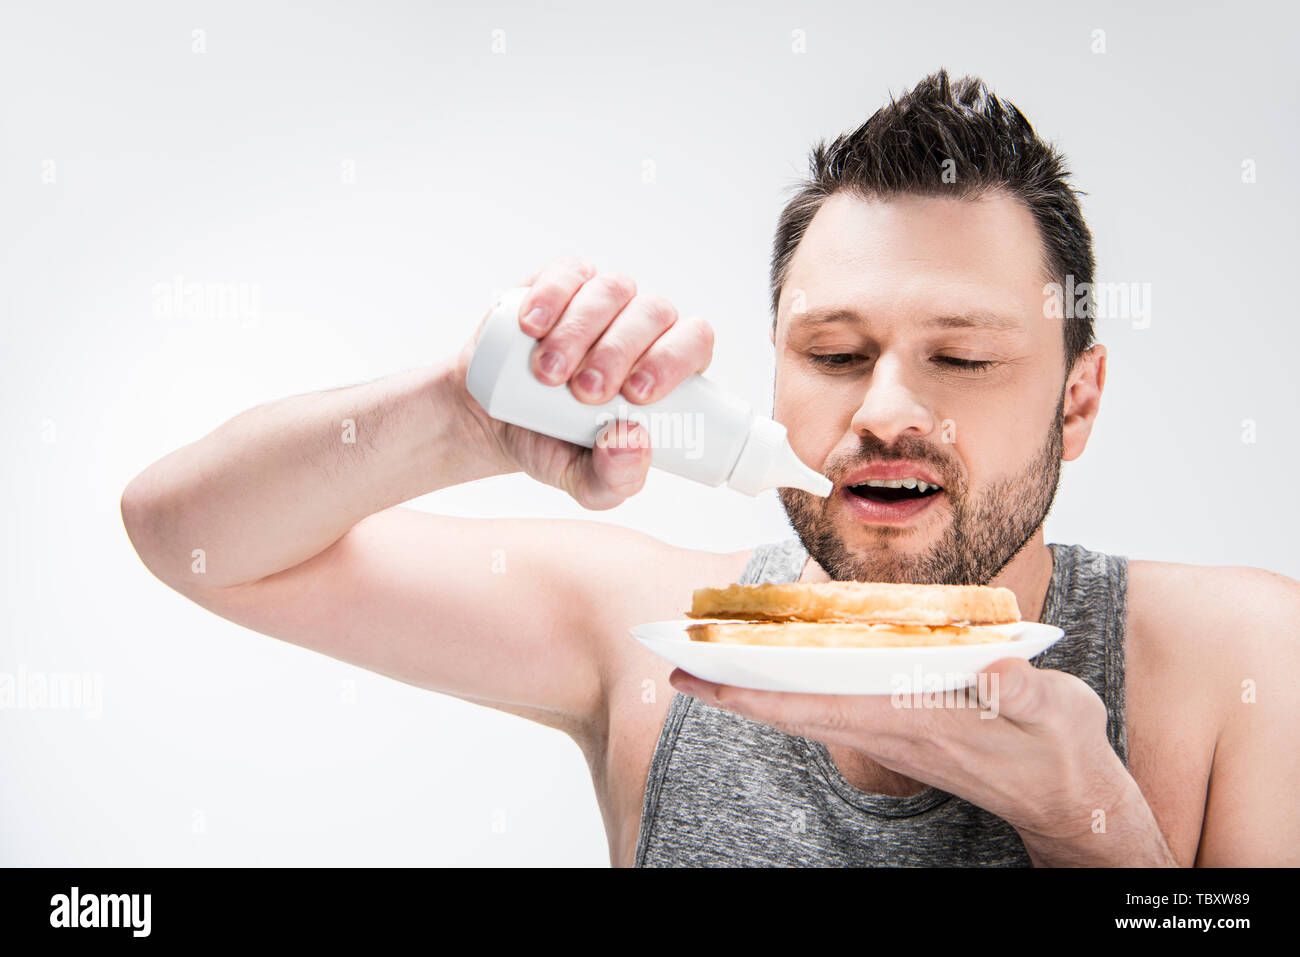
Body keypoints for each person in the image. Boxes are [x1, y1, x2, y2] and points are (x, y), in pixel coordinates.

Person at [120, 69, 1300, 867]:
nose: (886, 408)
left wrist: (1084, 822)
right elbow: (195, 541)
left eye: (963, 357)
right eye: (834, 353)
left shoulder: (1243, 659)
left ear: (1075, 401)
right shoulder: (652, 635)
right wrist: (469, 417)